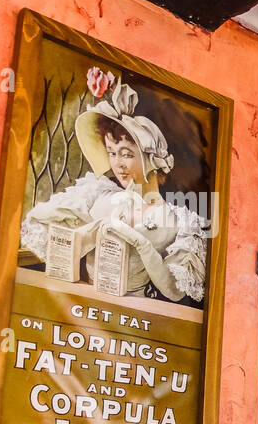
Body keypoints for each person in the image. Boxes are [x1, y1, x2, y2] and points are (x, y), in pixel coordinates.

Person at [18, 68, 208, 307]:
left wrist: (141, 244)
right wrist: (92, 232)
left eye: (127, 154)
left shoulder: (178, 221)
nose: (117, 163)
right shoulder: (98, 195)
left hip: (133, 318)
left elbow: (174, 291)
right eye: (111, 153)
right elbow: (47, 235)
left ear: (152, 158)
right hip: (78, 306)